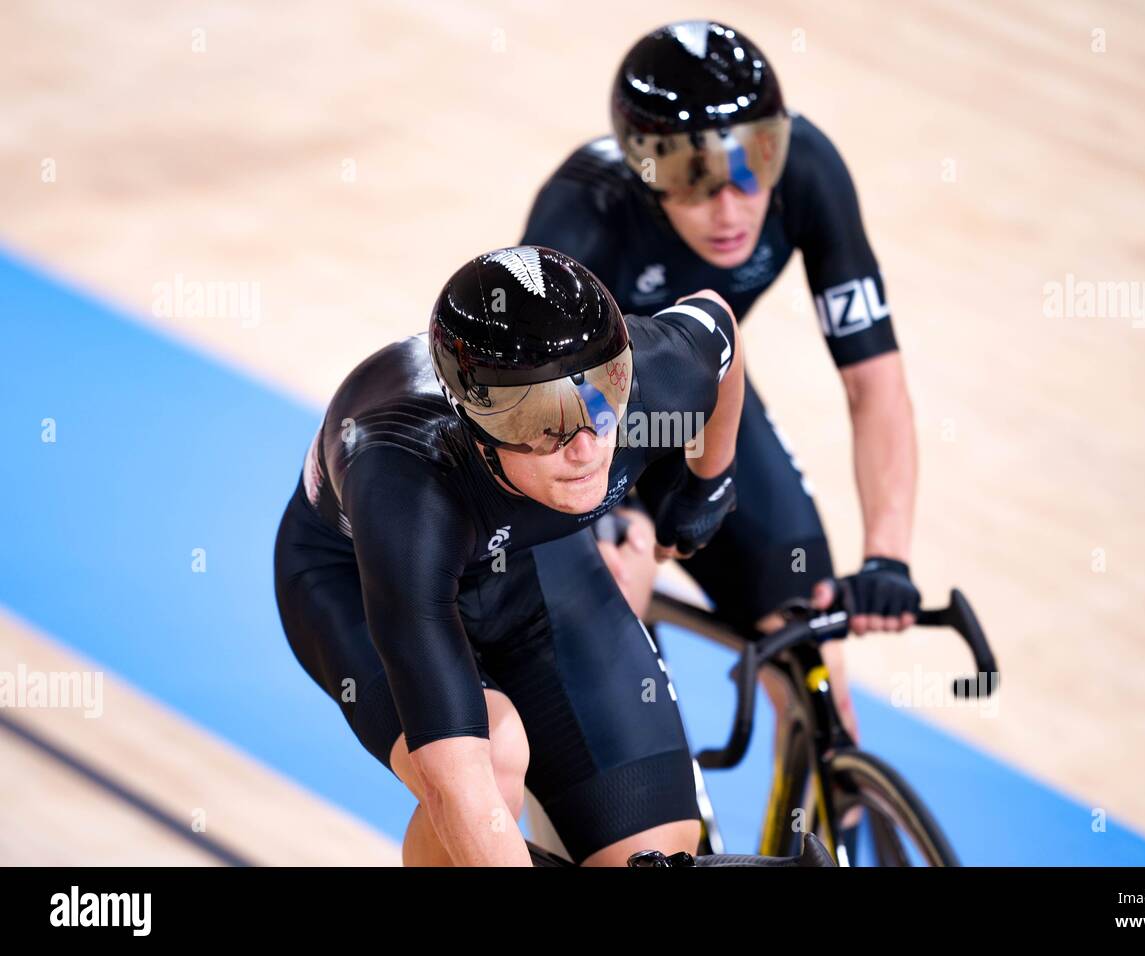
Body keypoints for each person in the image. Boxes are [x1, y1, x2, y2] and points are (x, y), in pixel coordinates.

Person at [520, 20, 922, 747]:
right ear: (645, 172)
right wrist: (611, 516)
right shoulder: (583, 216)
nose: (731, 210)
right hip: (583, 431)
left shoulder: (808, 172)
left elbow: (875, 380)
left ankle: (835, 820)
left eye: (752, 168)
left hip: (707, 402)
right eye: (693, 182)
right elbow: (535, 418)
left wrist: (887, 554)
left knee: (815, 662)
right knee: (613, 610)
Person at [273, 245, 744, 865]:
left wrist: (710, 479)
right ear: (476, 422)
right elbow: (457, 784)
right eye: (541, 422)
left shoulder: (658, 378)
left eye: (603, 397)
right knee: (493, 755)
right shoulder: (403, 479)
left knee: (651, 854)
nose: (584, 448)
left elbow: (718, 323)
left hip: (528, 565)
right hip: (357, 583)